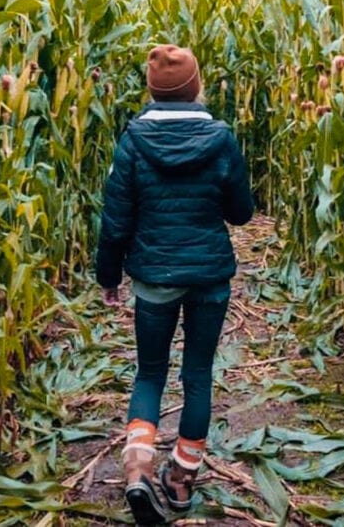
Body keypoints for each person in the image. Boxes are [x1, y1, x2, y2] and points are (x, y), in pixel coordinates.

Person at [94, 44, 254, 523]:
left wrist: (109, 277)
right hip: (209, 276)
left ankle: (139, 472)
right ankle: (182, 479)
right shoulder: (221, 140)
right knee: (198, 374)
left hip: (155, 276)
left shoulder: (133, 141)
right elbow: (241, 213)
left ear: (153, 91)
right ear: (195, 87)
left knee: (149, 373)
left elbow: (116, 221)